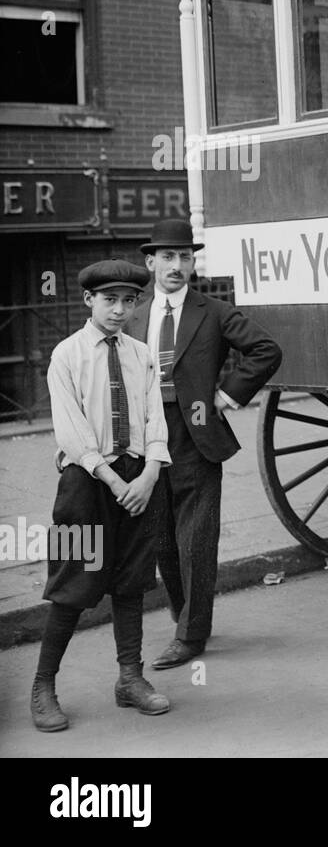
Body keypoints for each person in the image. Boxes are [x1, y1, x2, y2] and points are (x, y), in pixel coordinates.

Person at [124, 219, 282, 671]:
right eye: (168, 258)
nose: (177, 266)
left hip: (195, 432)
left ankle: (191, 634)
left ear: (193, 263)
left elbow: (266, 350)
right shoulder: (132, 313)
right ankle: (184, 614)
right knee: (160, 538)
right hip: (145, 436)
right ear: (150, 262)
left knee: (195, 538)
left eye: (185, 257)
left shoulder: (211, 311)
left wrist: (228, 395)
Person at [32, 260, 173, 732]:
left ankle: (130, 680)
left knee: (132, 581)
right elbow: (70, 431)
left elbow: (156, 417)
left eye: (128, 301)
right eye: (109, 300)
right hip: (87, 483)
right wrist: (113, 482)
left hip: (138, 479)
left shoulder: (142, 354)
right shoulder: (67, 355)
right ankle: (43, 687)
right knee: (73, 583)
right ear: (89, 300)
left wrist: (150, 472)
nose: (119, 310)